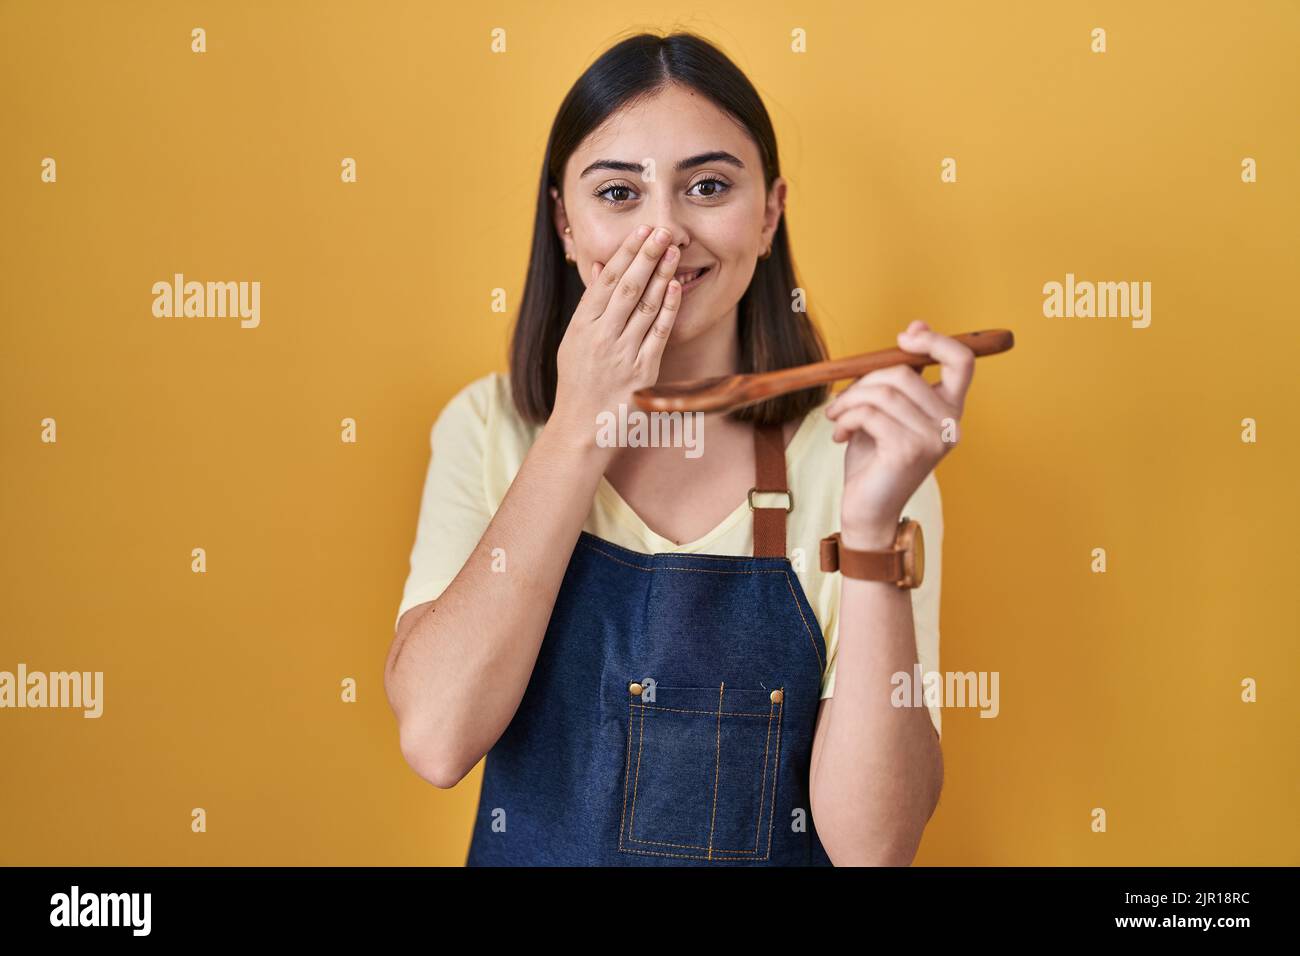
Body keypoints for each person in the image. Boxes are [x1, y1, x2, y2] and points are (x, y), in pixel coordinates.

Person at [384, 31, 975, 866]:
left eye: (707, 186)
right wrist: (580, 425)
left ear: (769, 213)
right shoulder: (488, 429)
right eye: (619, 194)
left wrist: (873, 532)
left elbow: (874, 849)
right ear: (564, 222)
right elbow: (438, 739)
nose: (665, 231)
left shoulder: (863, 457)